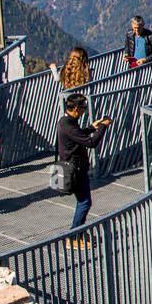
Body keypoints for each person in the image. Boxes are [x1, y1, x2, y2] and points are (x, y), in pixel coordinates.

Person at [56, 93, 111, 232]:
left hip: (76, 167)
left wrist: (93, 127)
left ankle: (77, 233)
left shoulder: (67, 121)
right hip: (76, 169)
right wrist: (103, 127)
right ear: (75, 109)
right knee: (84, 203)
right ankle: (75, 234)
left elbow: (77, 134)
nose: (85, 110)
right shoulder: (68, 124)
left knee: (84, 202)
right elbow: (91, 142)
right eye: (83, 108)